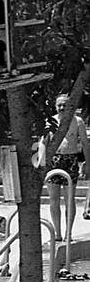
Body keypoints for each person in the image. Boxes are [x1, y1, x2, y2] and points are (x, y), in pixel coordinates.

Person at [40, 92, 90, 240]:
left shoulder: (77, 121)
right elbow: (43, 143)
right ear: (55, 107)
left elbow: (85, 144)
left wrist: (88, 163)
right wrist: (41, 163)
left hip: (71, 160)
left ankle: (68, 233)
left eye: (65, 104)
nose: (62, 107)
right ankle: (57, 233)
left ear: (70, 106)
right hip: (54, 160)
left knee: (70, 198)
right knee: (53, 198)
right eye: (59, 105)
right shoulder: (50, 121)